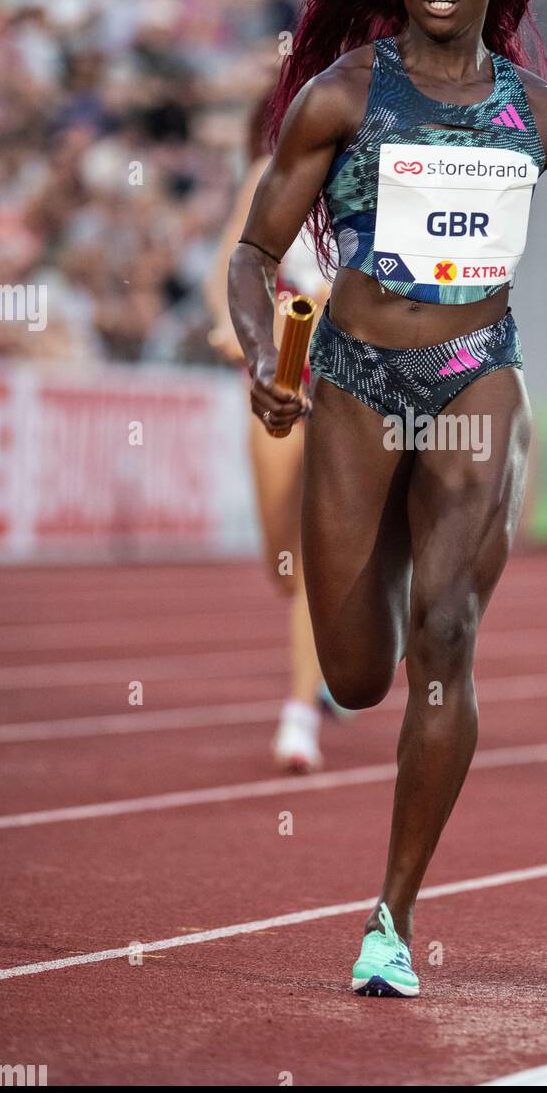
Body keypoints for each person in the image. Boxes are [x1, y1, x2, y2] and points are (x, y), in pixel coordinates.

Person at [228, 0, 547, 998]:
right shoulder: (344, 94)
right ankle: (395, 561)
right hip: (357, 380)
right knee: (357, 677)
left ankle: (390, 918)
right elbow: (254, 253)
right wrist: (265, 361)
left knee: (445, 634)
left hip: (474, 374)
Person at [206, 96, 350, 772]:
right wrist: (233, 327)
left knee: (318, 547)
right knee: (281, 556)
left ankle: (299, 713)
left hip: (352, 364)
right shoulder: (272, 168)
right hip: (282, 359)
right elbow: (231, 261)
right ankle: (335, 641)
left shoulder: (382, 168)